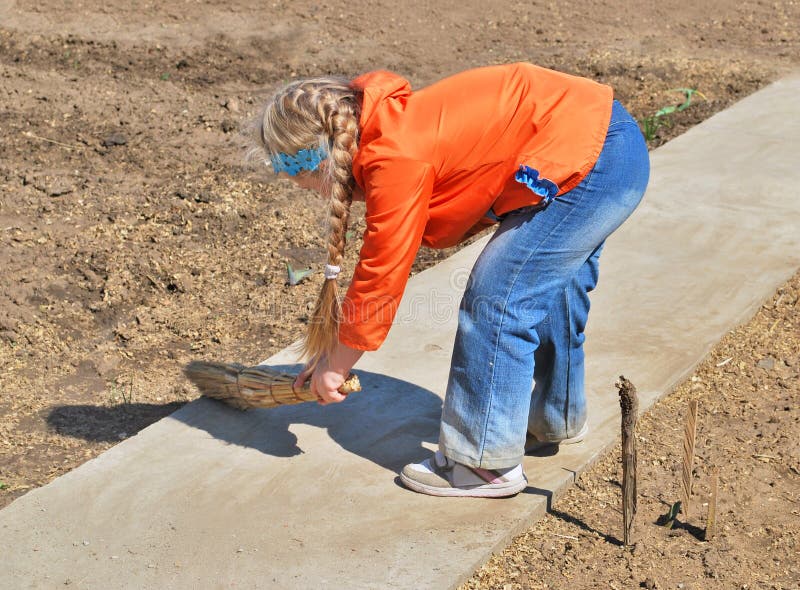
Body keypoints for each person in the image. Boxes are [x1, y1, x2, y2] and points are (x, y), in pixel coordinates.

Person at [253, 63, 650, 498]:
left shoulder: (396, 155)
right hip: (598, 139)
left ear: (323, 161)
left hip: (591, 161)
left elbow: (381, 272)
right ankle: (556, 416)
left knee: (497, 300)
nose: (306, 192)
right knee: (547, 288)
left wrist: (337, 365)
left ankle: (482, 464)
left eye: (302, 181)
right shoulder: (390, 124)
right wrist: (331, 355)